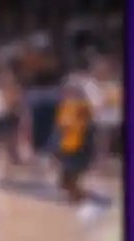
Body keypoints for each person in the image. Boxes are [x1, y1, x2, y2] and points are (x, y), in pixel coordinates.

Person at [51, 73, 104, 221]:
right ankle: (82, 204)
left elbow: (91, 130)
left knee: (70, 181)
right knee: (64, 182)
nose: (67, 93)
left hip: (78, 150)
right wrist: (56, 151)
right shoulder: (65, 107)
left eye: (71, 90)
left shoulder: (84, 108)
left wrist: (95, 154)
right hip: (66, 150)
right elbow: (60, 129)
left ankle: (86, 206)